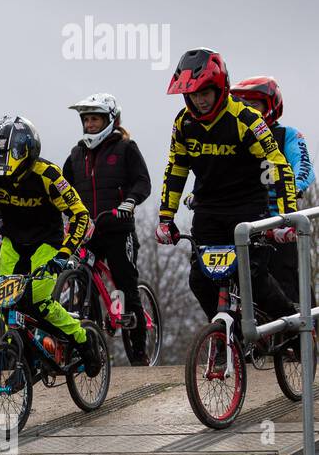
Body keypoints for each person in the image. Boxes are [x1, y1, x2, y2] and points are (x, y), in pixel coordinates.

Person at [157, 50, 297, 335]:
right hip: (208, 209)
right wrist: (165, 218)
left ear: (220, 87)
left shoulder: (246, 119)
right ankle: (224, 338)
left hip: (248, 209)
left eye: (205, 92)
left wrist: (286, 216)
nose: (200, 100)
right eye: (193, 94)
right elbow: (176, 170)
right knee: (199, 280)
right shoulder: (183, 123)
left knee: (253, 278)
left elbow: (276, 164)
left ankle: (293, 329)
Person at [0, 115, 102, 375]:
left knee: (38, 300)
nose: (7, 175)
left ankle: (83, 339)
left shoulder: (47, 175)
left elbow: (80, 214)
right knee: (6, 303)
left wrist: (63, 254)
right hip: (13, 242)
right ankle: (26, 361)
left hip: (47, 242)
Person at [62, 93, 153, 365]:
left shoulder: (125, 147)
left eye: (95, 119)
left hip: (118, 229)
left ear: (110, 120)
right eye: (86, 119)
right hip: (86, 232)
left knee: (125, 285)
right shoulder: (76, 154)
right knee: (83, 285)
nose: (90, 124)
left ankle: (139, 353)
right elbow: (62, 189)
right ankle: (91, 348)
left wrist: (129, 202)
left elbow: (142, 182)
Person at [230, 76, 314, 302]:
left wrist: (290, 187)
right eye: (243, 105)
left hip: (279, 222)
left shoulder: (287, 134)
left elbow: (304, 167)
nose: (249, 110)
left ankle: (300, 334)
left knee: (289, 290)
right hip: (243, 220)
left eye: (254, 105)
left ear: (270, 107)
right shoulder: (235, 136)